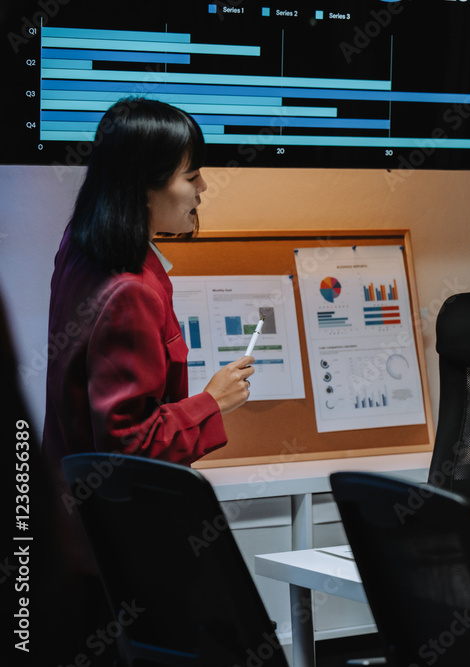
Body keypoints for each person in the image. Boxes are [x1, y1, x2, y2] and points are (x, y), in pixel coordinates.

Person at [41, 98, 255, 662]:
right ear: (143, 187)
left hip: (73, 536)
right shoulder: (131, 289)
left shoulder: (81, 249)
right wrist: (212, 403)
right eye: (191, 174)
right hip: (116, 546)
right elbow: (126, 446)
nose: (203, 186)